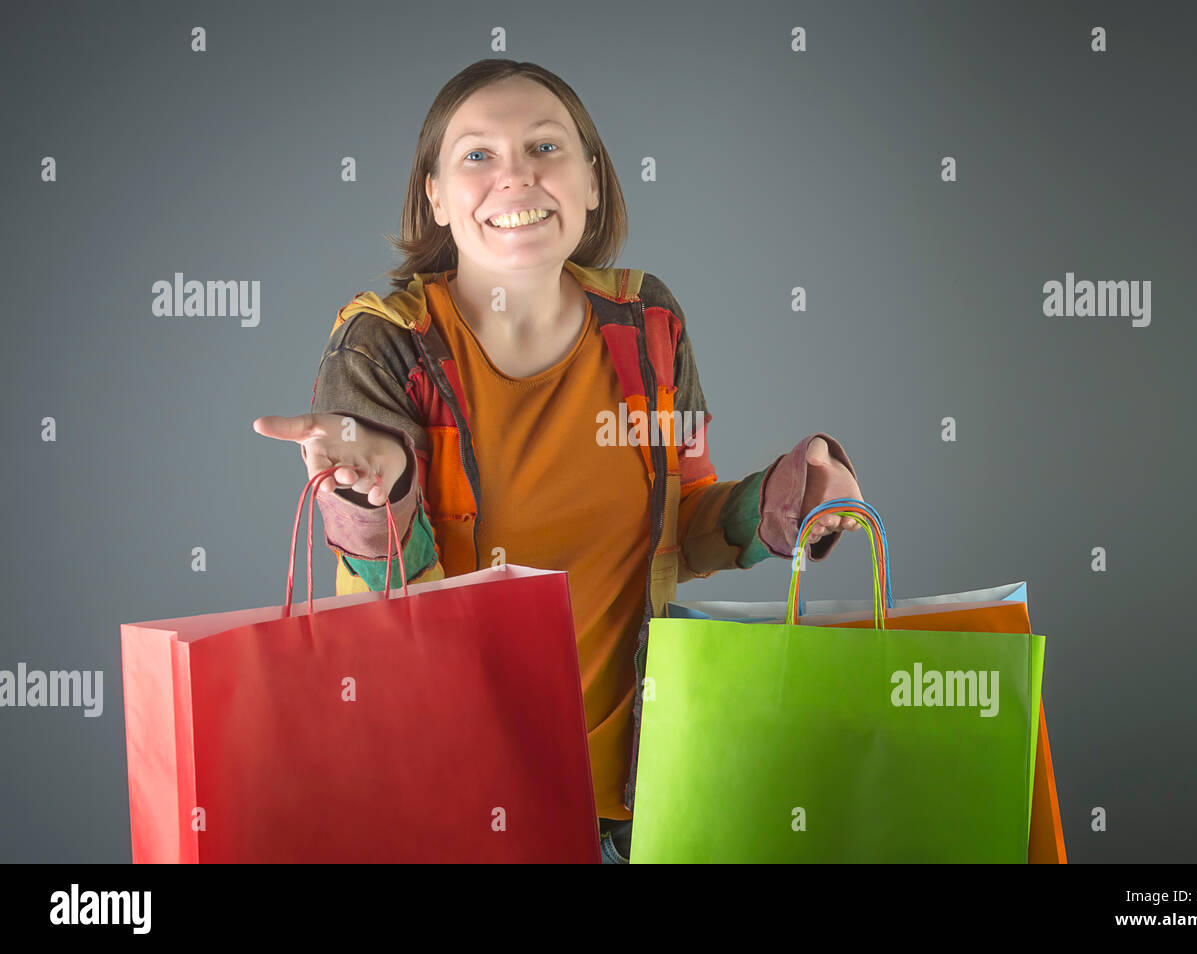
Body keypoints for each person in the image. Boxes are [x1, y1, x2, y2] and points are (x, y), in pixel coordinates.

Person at [253, 59, 863, 865]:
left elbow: (682, 530)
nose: (516, 177)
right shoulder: (388, 344)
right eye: (477, 155)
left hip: (640, 801)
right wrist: (379, 497)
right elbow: (389, 607)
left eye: (545, 147)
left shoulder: (648, 325)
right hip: (454, 801)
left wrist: (795, 501)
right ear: (434, 193)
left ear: (592, 183)